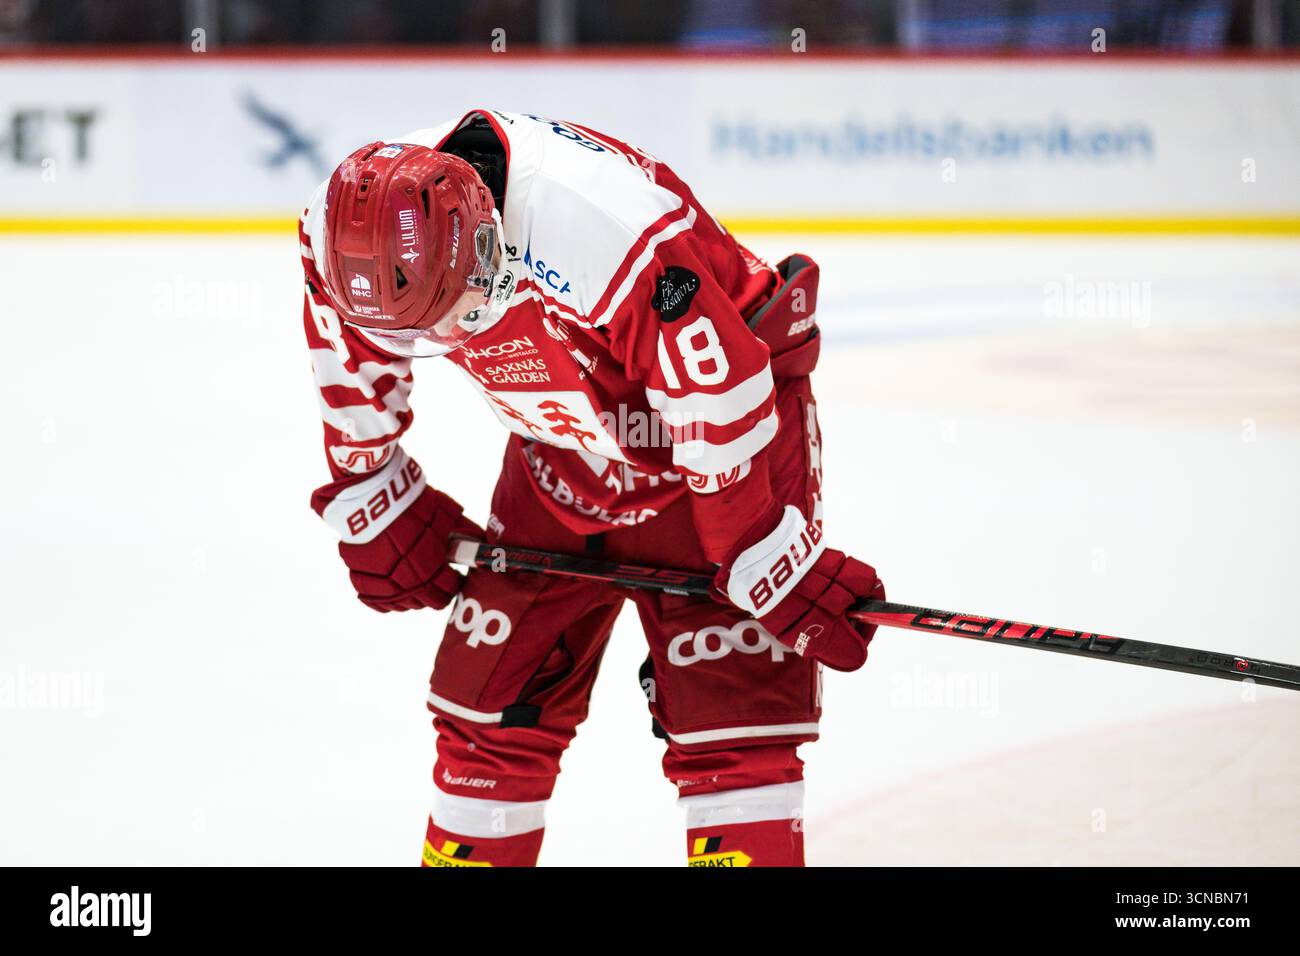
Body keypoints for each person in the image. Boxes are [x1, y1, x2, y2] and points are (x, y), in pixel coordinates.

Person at [298, 109, 884, 867]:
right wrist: (373, 487)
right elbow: (348, 352)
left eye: (458, 313)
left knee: (734, 731)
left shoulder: (597, 222)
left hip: (719, 451)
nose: (451, 339)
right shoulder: (342, 234)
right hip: (559, 451)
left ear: (487, 236)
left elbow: (717, 391)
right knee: (485, 721)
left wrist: (755, 547)